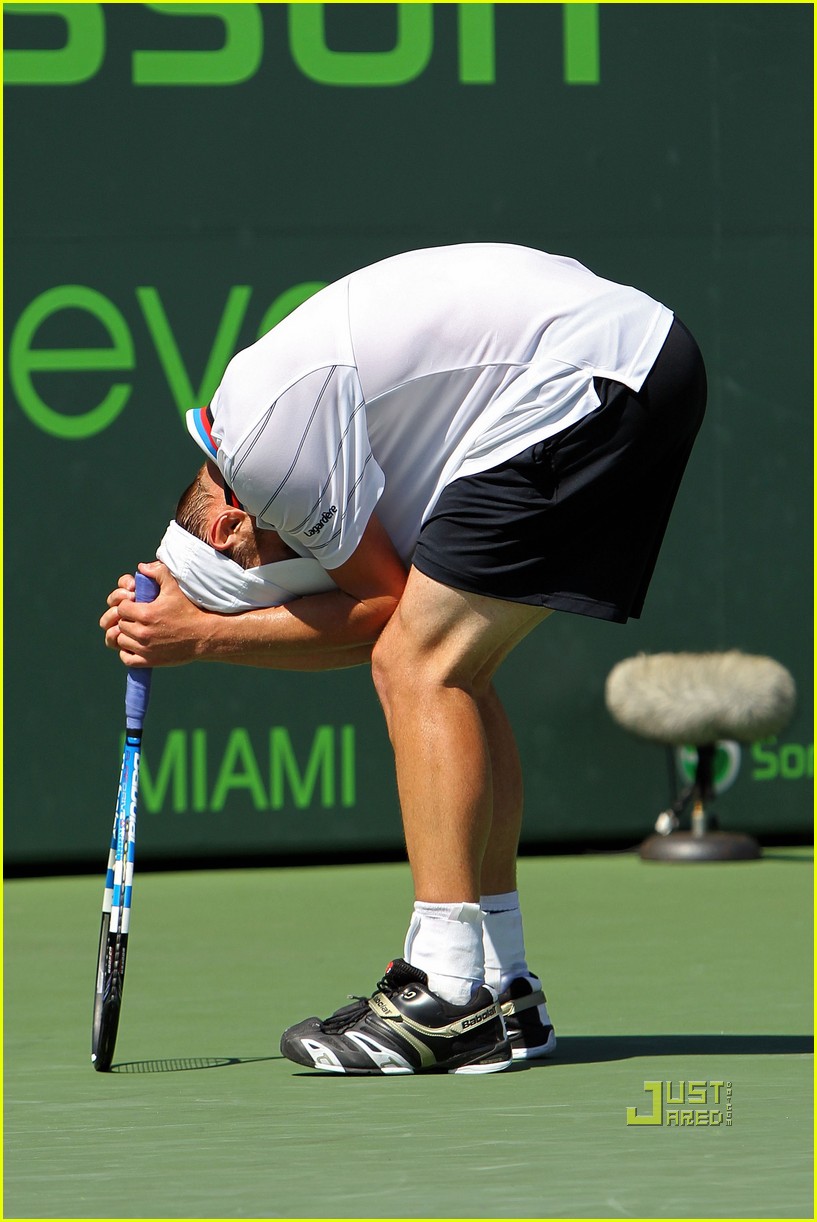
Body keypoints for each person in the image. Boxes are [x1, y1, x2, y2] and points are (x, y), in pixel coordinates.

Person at [101, 242, 707, 1076]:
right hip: (625, 364)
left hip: (586, 382)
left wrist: (200, 637)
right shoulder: (274, 434)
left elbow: (376, 621)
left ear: (228, 527)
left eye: (263, 583)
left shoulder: (264, 452)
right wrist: (180, 607)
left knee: (418, 663)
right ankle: (499, 985)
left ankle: (447, 994)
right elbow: (375, 616)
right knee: (454, 667)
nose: (289, 595)